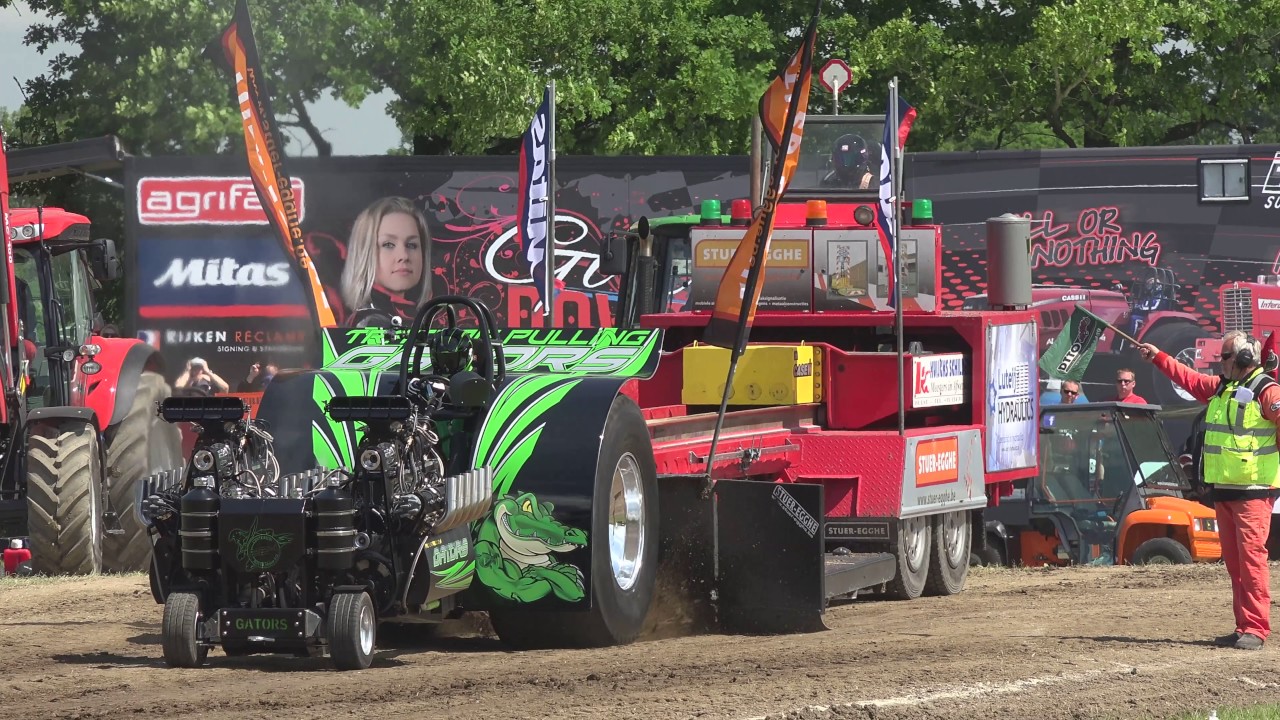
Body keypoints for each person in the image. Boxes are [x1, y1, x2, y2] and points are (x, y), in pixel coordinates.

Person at [1136, 330, 1280, 650]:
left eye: (1225, 357)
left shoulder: (1266, 390)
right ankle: (1244, 626)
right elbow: (1187, 378)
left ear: (1243, 358)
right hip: (1226, 491)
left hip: (1253, 491)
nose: (1220, 362)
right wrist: (1159, 357)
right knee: (1236, 565)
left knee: (1251, 563)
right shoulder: (1223, 387)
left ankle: (1255, 629)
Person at [340, 196, 433, 328]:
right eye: (388, 244)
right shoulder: (370, 324)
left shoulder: (424, 318)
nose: (404, 255)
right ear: (364, 252)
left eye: (412, 245)